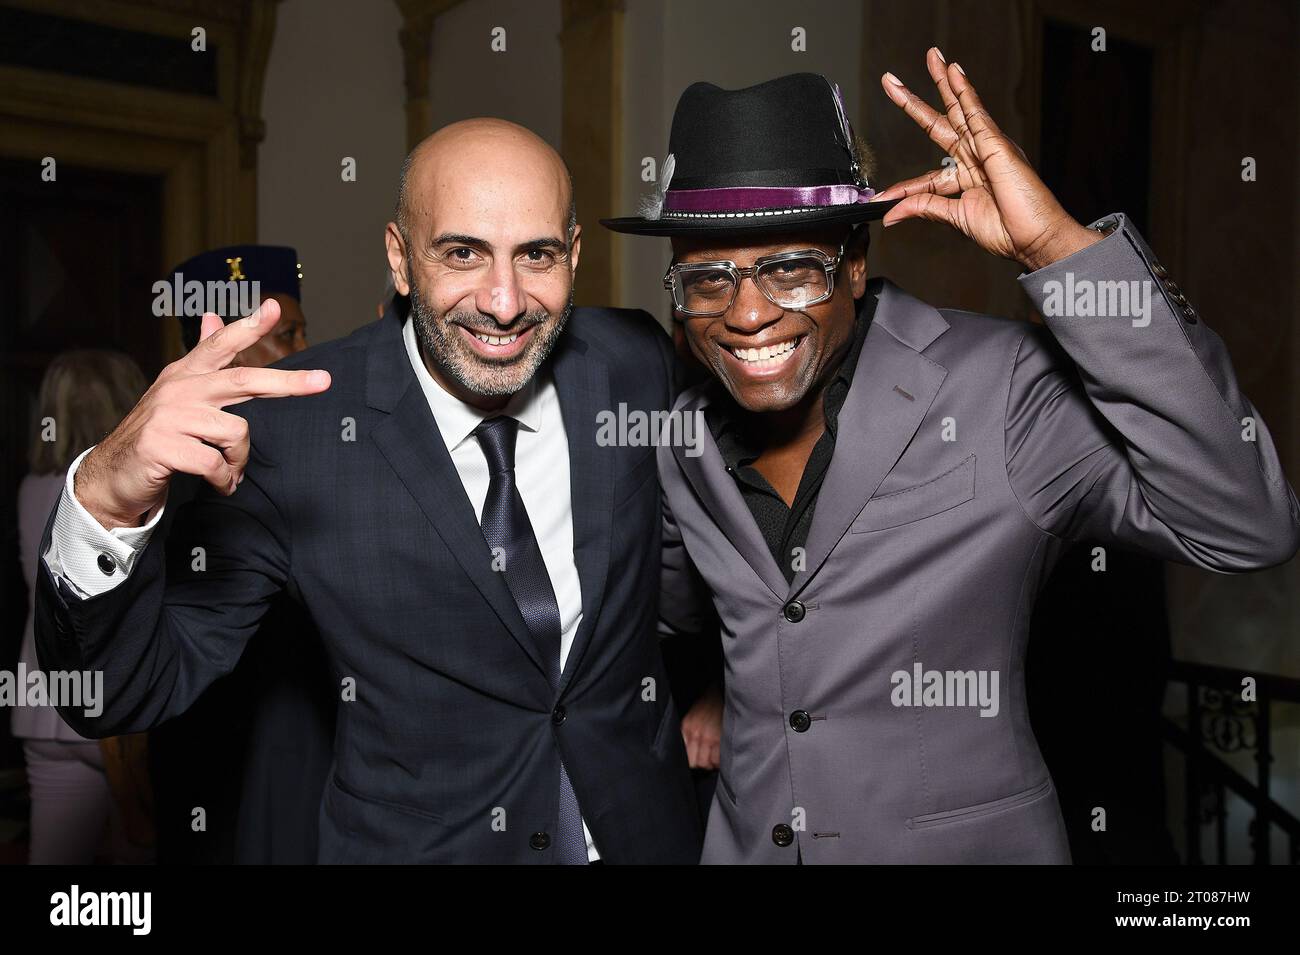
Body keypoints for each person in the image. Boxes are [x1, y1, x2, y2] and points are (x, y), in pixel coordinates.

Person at [604, 62, 1300, 863]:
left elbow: (1247, 523)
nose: (749, 311)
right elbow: (671, 613)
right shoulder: (681, 435)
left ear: (855, 263)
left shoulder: (1000, 388)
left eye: (793, 267)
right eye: (709, 278)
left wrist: (1058, 250)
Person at [34, 118, 701, 863]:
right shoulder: (295, 431)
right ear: (401, 258)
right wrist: (104, 496)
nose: (505, 301)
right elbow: (119, 691)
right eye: (462, 253)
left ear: (574, 255)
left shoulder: (632, 361)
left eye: (536, 254)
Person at [148, 244, 331, 865]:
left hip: (299, 737)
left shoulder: (298, 450)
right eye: (289, 333)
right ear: (223, 344)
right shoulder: (173, 461)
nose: (305, 350)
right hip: (226, 747)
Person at [14, 350, 152, 864]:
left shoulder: (32, 488)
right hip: (119, 700)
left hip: (42, 700)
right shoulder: (135, 495)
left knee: (52, 855)